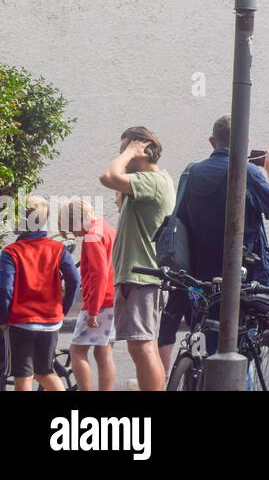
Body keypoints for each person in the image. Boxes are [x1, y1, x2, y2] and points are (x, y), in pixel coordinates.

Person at [161, 116, 269, 368]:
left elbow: (180, 218)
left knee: (203, 340)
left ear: (212, 141)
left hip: (199, 276)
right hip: (242, 275)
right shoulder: (249, 171)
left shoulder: (191, 171)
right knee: (242, 342)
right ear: (245, 140)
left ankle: (197, 371)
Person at [100, 126, 174, 392]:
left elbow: (108, 176)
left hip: (142, 277)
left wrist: (129, 151)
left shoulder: (151, 181)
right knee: (143, 345)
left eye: (125, 151)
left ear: (141, 151)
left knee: (141, 346)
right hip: (141, 276)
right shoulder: (149, 183)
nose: (120, 157)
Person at [0, 196, 80, 391]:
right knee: (45, 372)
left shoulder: (11, 252)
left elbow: (4, 289)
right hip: (51, 321)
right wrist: (62, 309)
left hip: (21, 323)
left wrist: (2, 319)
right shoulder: (58, 248)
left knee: (23, 375)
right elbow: (75, 280)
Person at [59, 198, 116, 391]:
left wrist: (93, 310)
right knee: (104, 351)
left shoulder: (91, 236)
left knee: (77, 351)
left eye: (69, 227)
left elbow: (99, 274)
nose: (73, 234)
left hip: (99, 302)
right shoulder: (104, 227)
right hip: (113, 298)